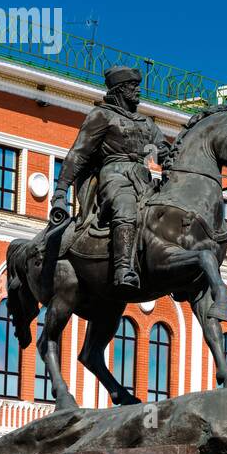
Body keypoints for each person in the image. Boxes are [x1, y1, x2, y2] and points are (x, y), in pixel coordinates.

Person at [51, 66, 173, 288]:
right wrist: (60, 192)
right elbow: (78, 154)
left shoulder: (147, 123)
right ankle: (123, 270)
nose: (138, 91)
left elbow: (162, 149)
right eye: (132, 87)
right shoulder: (102, 115)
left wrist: (164, 154)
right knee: (125, 205)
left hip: (143, 178)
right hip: (115, 176)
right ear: (119, 90)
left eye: (137, 86)